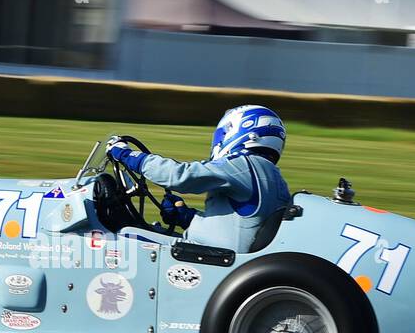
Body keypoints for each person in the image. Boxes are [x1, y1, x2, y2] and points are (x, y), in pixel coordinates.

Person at [105, 104, 292, 252]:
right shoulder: (273, 177)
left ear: (245, 132)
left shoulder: (243, 165)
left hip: (215, 259)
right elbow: (239, 224)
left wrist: (128, 155)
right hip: (226, 256)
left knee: (121, 238)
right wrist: (187, 218)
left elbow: (181, 176)